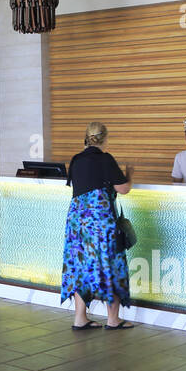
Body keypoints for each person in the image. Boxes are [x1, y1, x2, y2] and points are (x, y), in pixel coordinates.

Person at [60, 121, 134, 330]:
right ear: (105, 139)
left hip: (76, 225)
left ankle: (80, 319)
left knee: (79, 266)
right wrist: (130, 175)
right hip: (100, 224)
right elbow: (123, 189)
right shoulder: (105, 159)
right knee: (110, 265)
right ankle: (113, 319)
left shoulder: (76, 160)